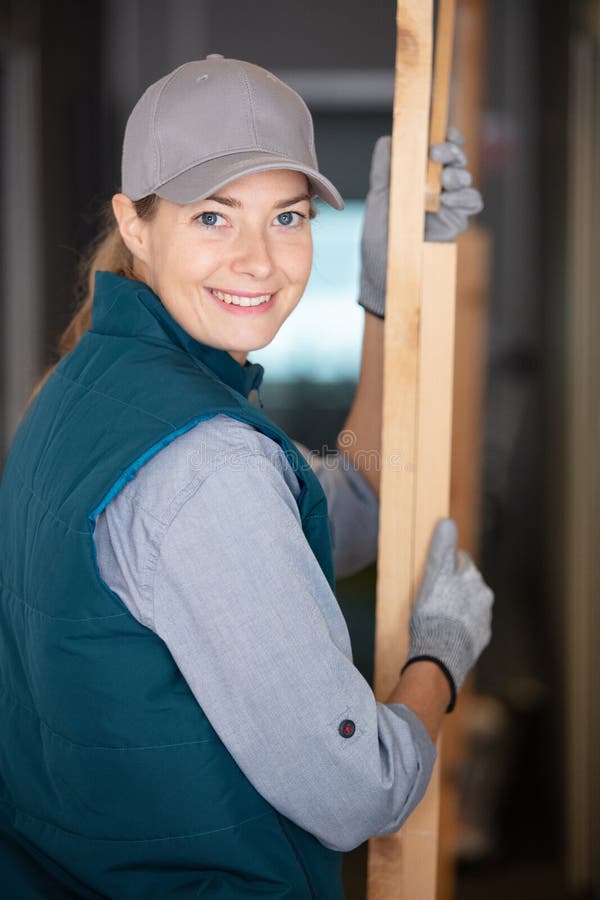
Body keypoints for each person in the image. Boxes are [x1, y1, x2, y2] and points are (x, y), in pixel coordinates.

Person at [0, 55, 492, 898]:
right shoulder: (208, 464)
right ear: (139, 224)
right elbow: (356, 791)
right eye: (214, 218)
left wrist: (384, 294)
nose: (261, 261)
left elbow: (356, 499)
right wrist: (440, 659)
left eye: (288, 216)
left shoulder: (83, 393)